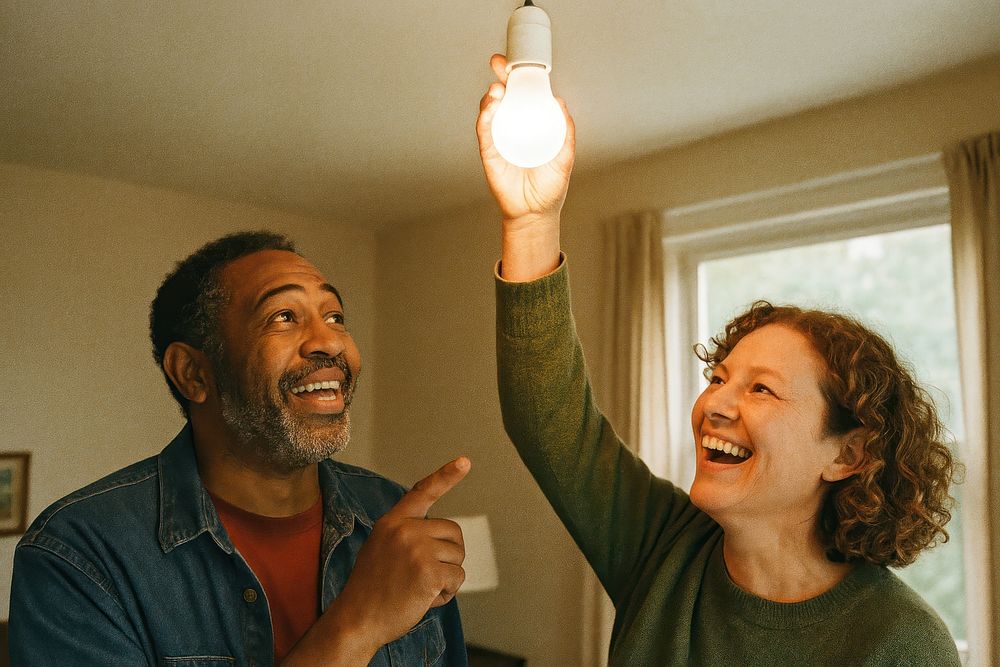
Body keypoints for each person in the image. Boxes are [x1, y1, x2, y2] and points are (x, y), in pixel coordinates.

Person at [477, 54, 962, 665]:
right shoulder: (664, 551)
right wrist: (530, 223)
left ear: (848, 453)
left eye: (761, 390)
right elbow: (547, 420)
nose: (715, 404)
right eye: (719, 377)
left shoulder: (903, 643)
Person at [10, 231, 469, 666]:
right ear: (193, 373)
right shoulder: (79, 553)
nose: (330, 342)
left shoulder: (393, 518)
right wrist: (360, 623)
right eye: (283, 317)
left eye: (335, 317)